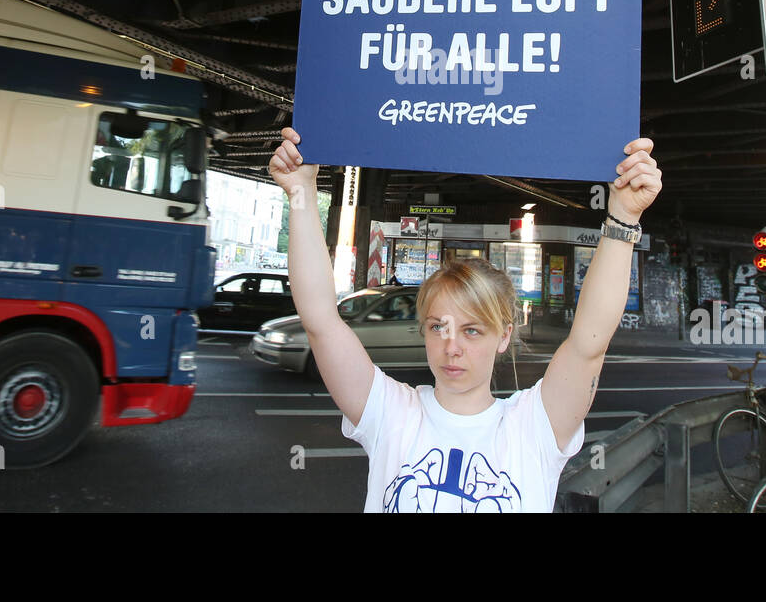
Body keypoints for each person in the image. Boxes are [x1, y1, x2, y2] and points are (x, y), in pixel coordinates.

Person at [268, 126, 661, 513]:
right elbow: (321, 320)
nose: (450, 347)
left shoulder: (535, 428)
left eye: (472, 330)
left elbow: (588, 345)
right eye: (438, 326)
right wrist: (301, 193)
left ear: (505, 335)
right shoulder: (389, 413)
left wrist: (624, 218)